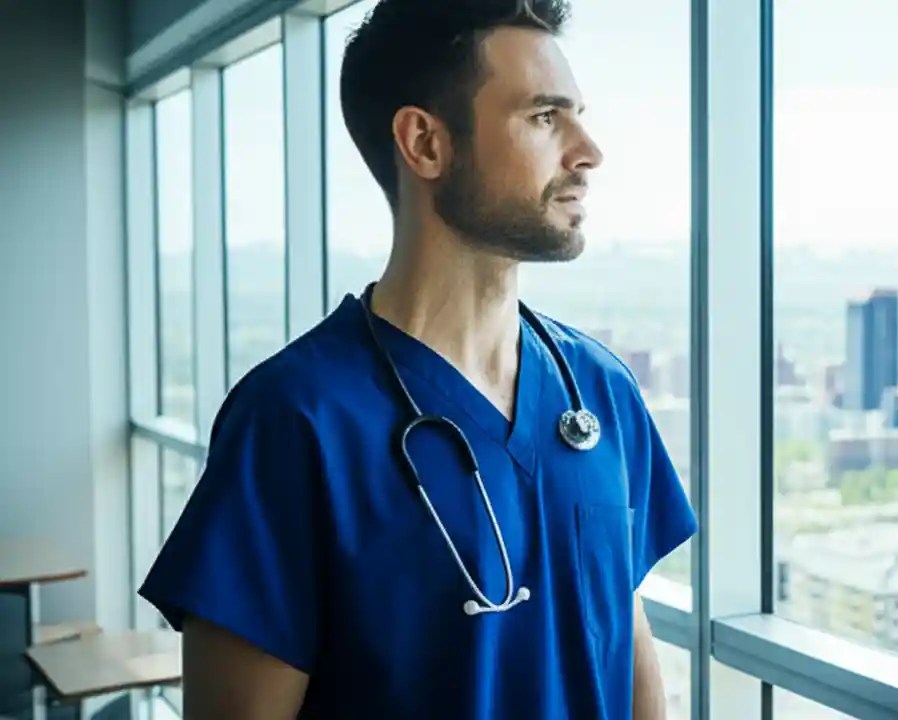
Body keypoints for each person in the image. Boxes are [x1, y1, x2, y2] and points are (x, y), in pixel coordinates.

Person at [137, 0, 698, 717]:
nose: (588, 150)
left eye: (577, 114)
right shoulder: (294, 421)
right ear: (425, 143)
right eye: (544, 117)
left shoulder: (597, 392)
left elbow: (625, 641)